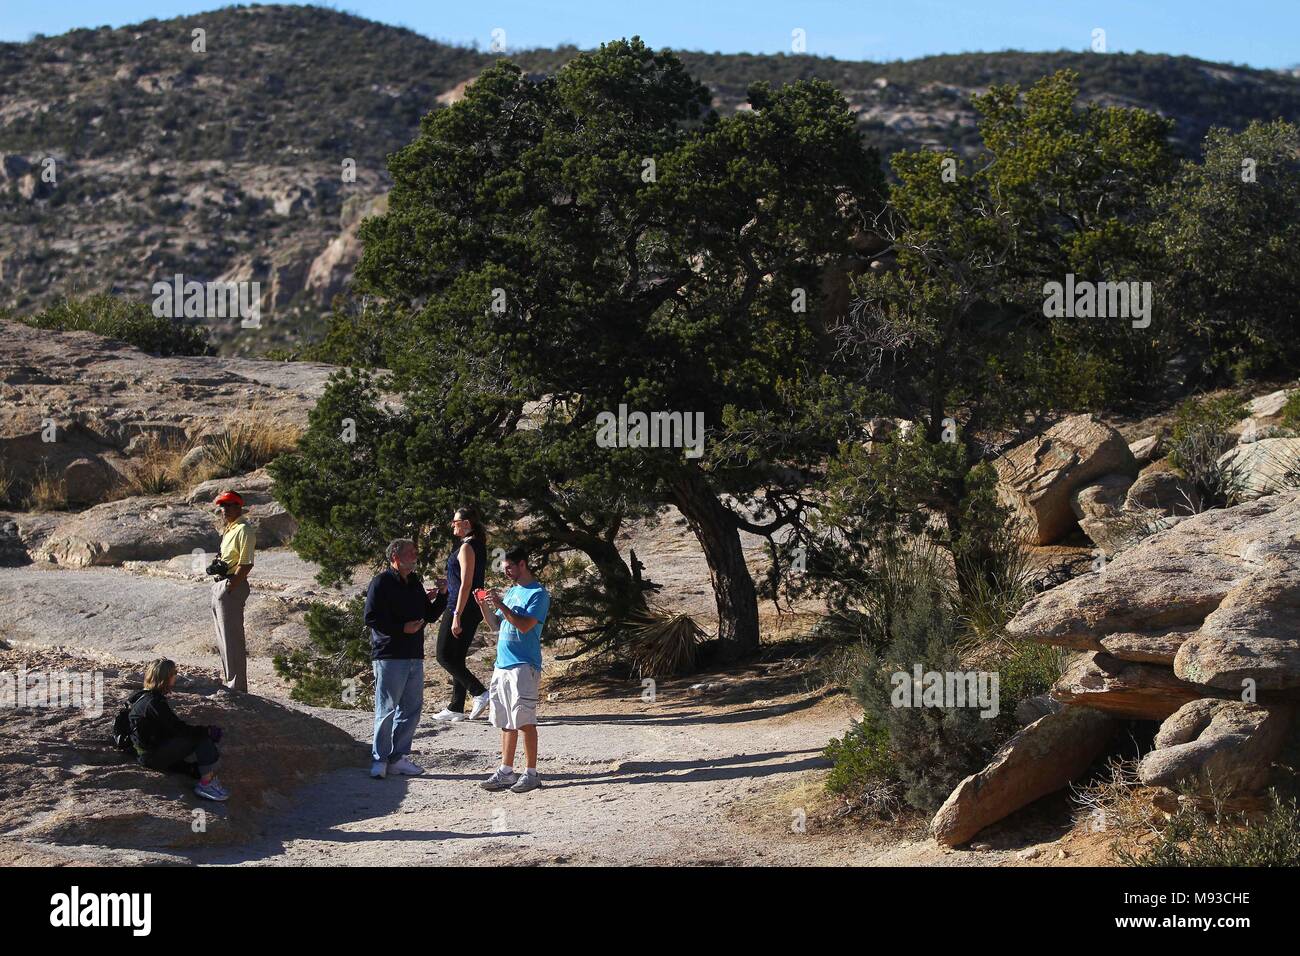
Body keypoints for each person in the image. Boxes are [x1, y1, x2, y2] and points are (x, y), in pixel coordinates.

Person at [364, 537, 446, 779]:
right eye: (410, 552)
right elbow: (371, 618)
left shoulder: (414, 582)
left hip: (414, 655)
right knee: (386, 709)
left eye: (415, 551)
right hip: (389, 655)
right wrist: (402, 629)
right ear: (395, 557)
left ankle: (398, 758)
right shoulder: (380, 582)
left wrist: (441, 595)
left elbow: (429, 615)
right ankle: (379, 759)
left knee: (411, 709)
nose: (415, 555)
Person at [477, 546, 550, 793]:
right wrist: (484, 605)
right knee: (505, 721)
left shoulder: (538, 594)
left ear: (522, 564)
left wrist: (502, 605)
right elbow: (494, 624)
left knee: (525, 720)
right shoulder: (512, 591)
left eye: (509, 567)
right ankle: (506, 771)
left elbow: (525, 625)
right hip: (502, 665)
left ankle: (531, 773)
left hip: (523, 666)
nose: (506, 571)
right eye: (504, 568)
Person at [129, 658, 229, 802]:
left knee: (196, 740)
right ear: (165, 677)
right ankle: (206, 785)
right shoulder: (154, 703)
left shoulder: (144, 697)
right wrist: (206, 732)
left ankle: (202, 775)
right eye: (174, 673)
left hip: (148, 752)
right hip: (152, 757)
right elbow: (178, 729)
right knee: (200, 739)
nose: (176, 676)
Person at [431, 507, 491, 722]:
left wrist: (457, 614)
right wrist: (448, 583)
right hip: (470, 607)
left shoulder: (467, 547)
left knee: (443, 655)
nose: (452, 524)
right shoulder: (477, 545)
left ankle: (480, 692)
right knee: (456, 657)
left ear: (467, 523)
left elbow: (467, 584)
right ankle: (456, 707)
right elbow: (469, 581)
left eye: (455, 521)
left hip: (460, 606)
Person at [210, 489, 255, 693]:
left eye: (229, 505)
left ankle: (237, 687)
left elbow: (246, 564)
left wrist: (230, 586)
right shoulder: (230, 529)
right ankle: (231, 682)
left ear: (239, 506)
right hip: (221, 584)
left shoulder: (244, 529)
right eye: (222, 506)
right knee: (223, 639)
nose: (224, 509)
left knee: (232, 639)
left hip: (231, 585)